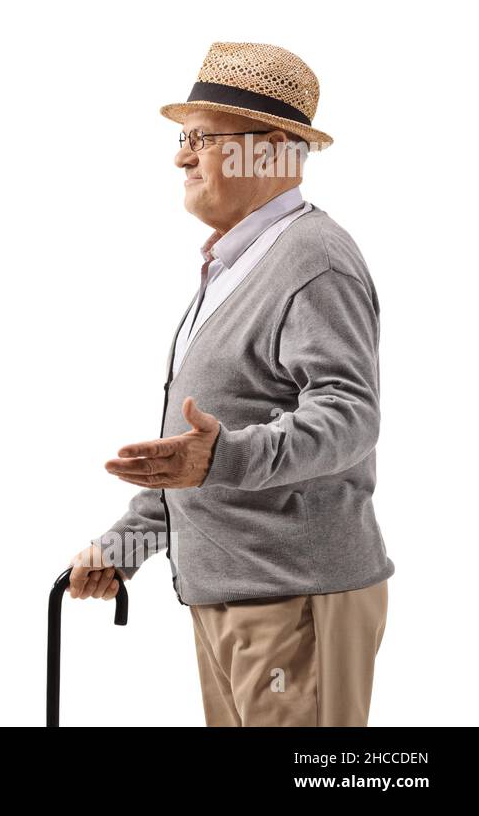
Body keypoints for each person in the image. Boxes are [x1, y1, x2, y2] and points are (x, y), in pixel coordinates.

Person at [71, 42, 393, 726]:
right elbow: (200, 455)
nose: (181, 157)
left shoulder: (313, 259)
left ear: (271, 150)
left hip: (293, 598)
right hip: (234, 599)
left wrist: (223, 456)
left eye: (201, 139)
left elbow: (349, 416)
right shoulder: (232, 268)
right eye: (182, 139)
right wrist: (127, 545)